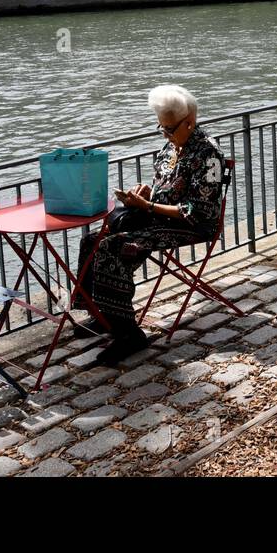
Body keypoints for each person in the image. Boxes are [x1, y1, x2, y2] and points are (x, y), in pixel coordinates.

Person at [74, 84, 226, 364]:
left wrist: (150, 206)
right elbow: (163, 186)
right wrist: (146, 193)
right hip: (157, 215)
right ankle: (103, 315)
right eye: (162, 129)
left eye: (170, 129)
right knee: (91, 240)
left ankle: (128, 335)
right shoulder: (171, 147)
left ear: (189, 122)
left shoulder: (208, 154)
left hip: (191, 224)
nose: (166, 135)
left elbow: (198, 211)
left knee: (114, 248)